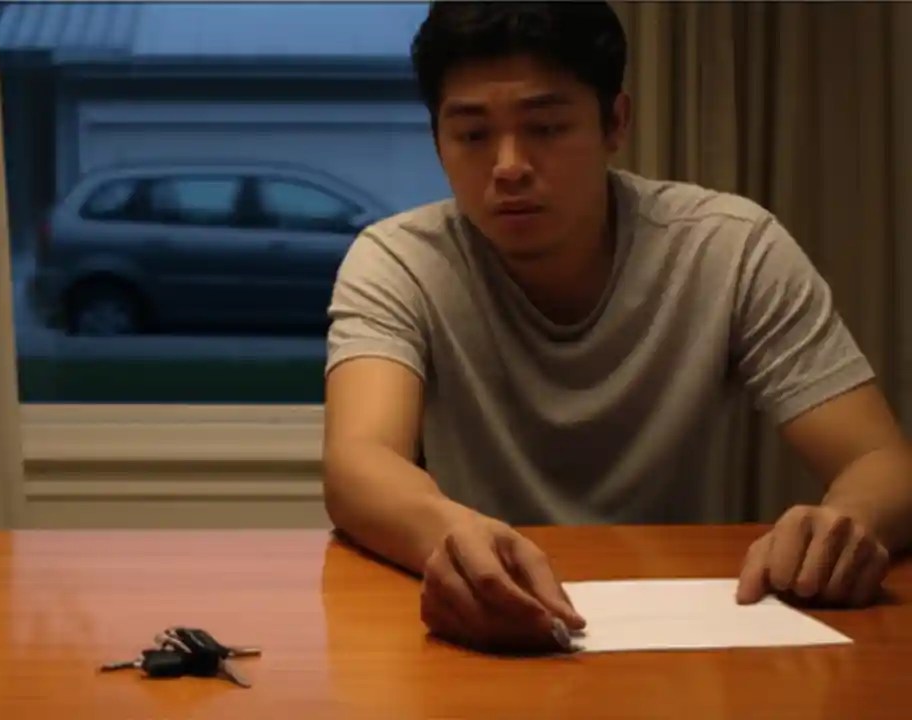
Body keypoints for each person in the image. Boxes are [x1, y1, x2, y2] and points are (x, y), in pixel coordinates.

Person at [321, 0, 912, 653]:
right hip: (485, 624)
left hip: (688, 629)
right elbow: (359, 461)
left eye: (546, 127)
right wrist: (451, 537)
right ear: (437, 140)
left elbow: (881, 461)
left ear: (616, 123)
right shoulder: (398, 259)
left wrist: (845, 526)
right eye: (472, 135)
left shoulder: (730, 248)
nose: (509, 164)